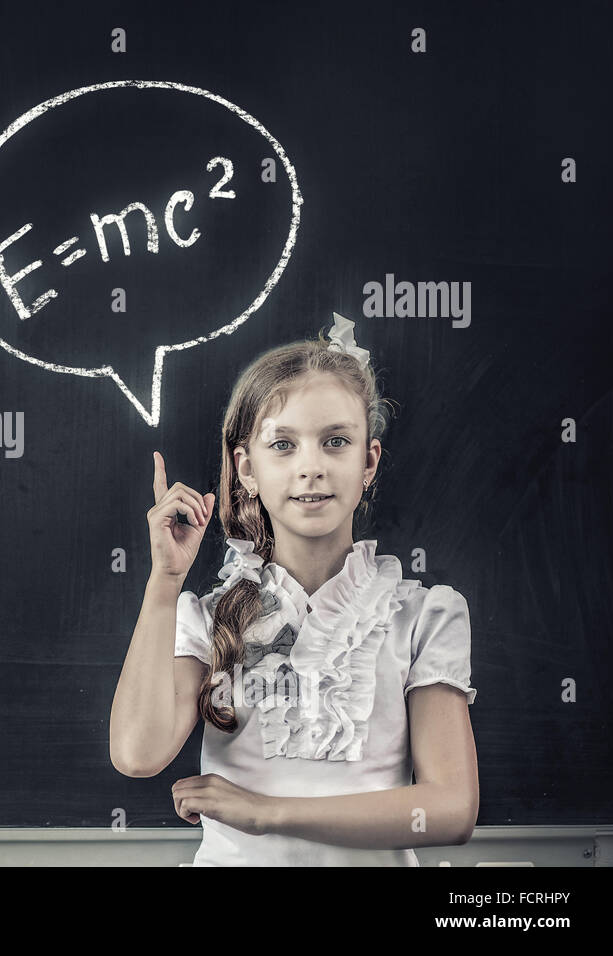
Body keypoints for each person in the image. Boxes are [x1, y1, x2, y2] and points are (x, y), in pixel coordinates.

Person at [108, 313, 479, 865]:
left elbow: (450, 810)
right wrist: (164, 583)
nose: (311, 468)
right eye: (283, 445)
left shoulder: (423, 615)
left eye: (335, 441)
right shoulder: (206, 617)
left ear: (368, 461)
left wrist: (268, 811)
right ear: (247, 469)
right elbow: (138, 755)